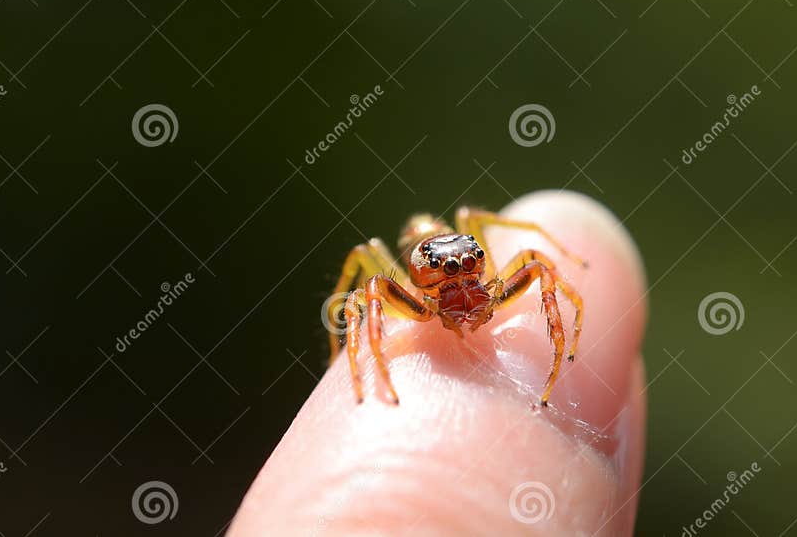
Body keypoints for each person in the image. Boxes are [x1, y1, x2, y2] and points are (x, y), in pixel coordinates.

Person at [228, 190, 647, 535]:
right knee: (366, 274)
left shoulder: (483, 272)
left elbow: (540, 264)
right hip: (419, 265)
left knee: (536, 262)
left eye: (469, 270)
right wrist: (354, 356)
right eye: (448, 277)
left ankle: (558, 356)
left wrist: (563, 337)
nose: (461, 287)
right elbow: (363, 290)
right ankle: (357, 364)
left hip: (450, 244)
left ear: (478, 261)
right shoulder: (410, 295)